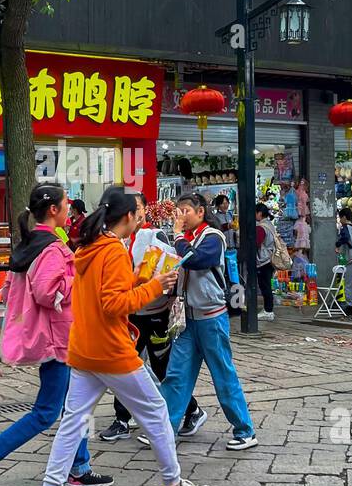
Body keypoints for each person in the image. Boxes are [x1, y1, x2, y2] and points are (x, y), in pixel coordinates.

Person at [32, 187, 210, 486]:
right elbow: (114, 304)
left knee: (73, 422)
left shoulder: (87, 246)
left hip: (83, 349)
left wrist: (143, 278)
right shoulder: (112, 249)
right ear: (129, 217)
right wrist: (156, 286)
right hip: (111, 350)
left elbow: (106, 292)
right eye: (138, 215)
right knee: (156, 411)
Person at [0, 184, 112, 486]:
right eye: (65, 203)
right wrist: (80, 281)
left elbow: (9, 290)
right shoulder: (52, 247)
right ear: (54, 211)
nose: (69, 206)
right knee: (46, 412)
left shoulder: (33, 242)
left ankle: (79, 467)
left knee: (76, 404)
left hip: (59, 338)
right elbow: (46, 292)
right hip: (59, 340)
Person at [153, 193, 258, 450]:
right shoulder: (185, 239)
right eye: (178, 211)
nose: (181, 216)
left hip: (212, 319)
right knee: (176, 375)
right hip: (188, 320)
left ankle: (245, 430)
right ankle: (166, 429)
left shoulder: (213, 237)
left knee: (223, 374)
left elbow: (197, 260)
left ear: (201, 212)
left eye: (186, 211)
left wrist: (177, 235)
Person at [101, 194, 205, 442]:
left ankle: (191, 410)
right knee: (125, 364)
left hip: (154, 311)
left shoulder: (154, 235)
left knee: (161, 367)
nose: (133, 213)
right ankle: (122, 418)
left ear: (145, 210)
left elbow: (169, 268)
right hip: (130, 311)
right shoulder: (122, 239)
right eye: (130, 209)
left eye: (137, 208)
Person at [253, 202, 278, 322]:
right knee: (267, 285)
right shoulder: (270, 225)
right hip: (270, 258)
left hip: (263, 260)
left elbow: (256, 243)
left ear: (259, 213)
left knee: (265, 286)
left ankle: (268, 311)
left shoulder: (261, 227)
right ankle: (269, 310)